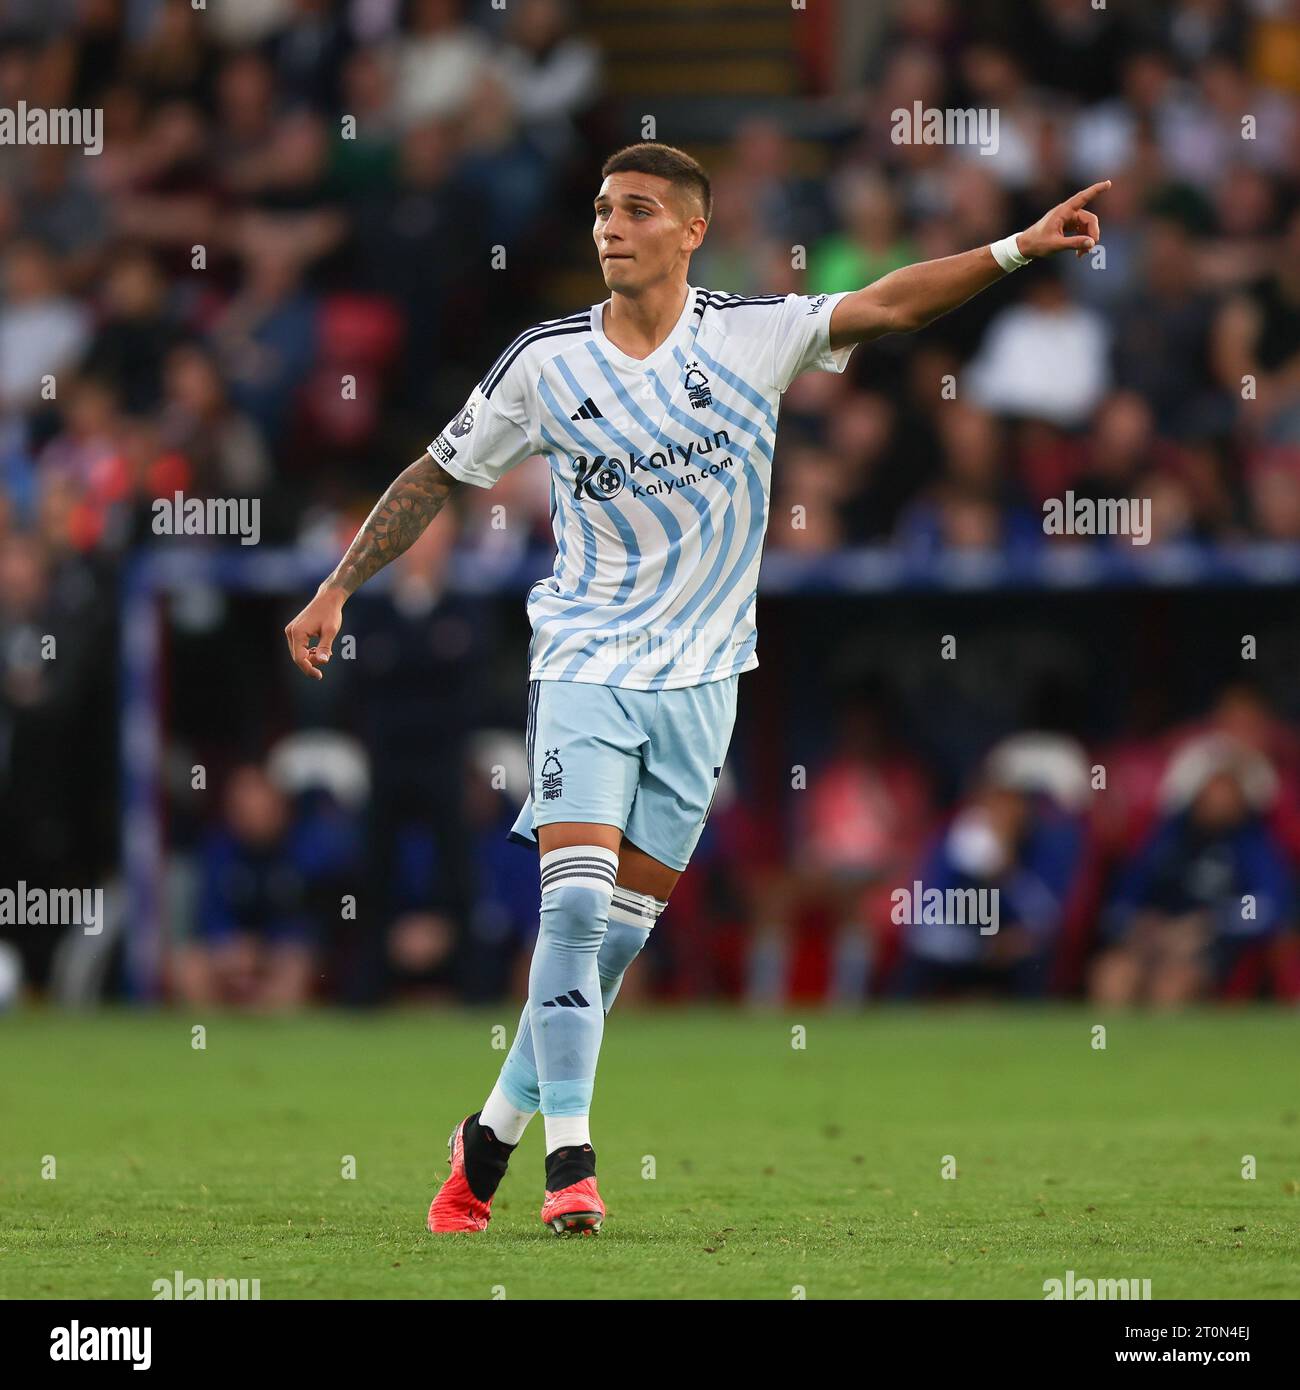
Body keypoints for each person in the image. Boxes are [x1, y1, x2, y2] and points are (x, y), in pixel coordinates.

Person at [283, 141, 1109, 1236]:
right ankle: (570, 1165)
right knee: (571, 906)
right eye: (598, 209)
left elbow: (891, 304)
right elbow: (438, 468)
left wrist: (1014, 247)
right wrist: (338, 585)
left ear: (690, 229)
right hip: (582, 665)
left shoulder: (746, 338)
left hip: (703, 684)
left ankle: (483, 1144)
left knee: (613, 943)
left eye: (635, 210)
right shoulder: (547, 361)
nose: (609, 227)